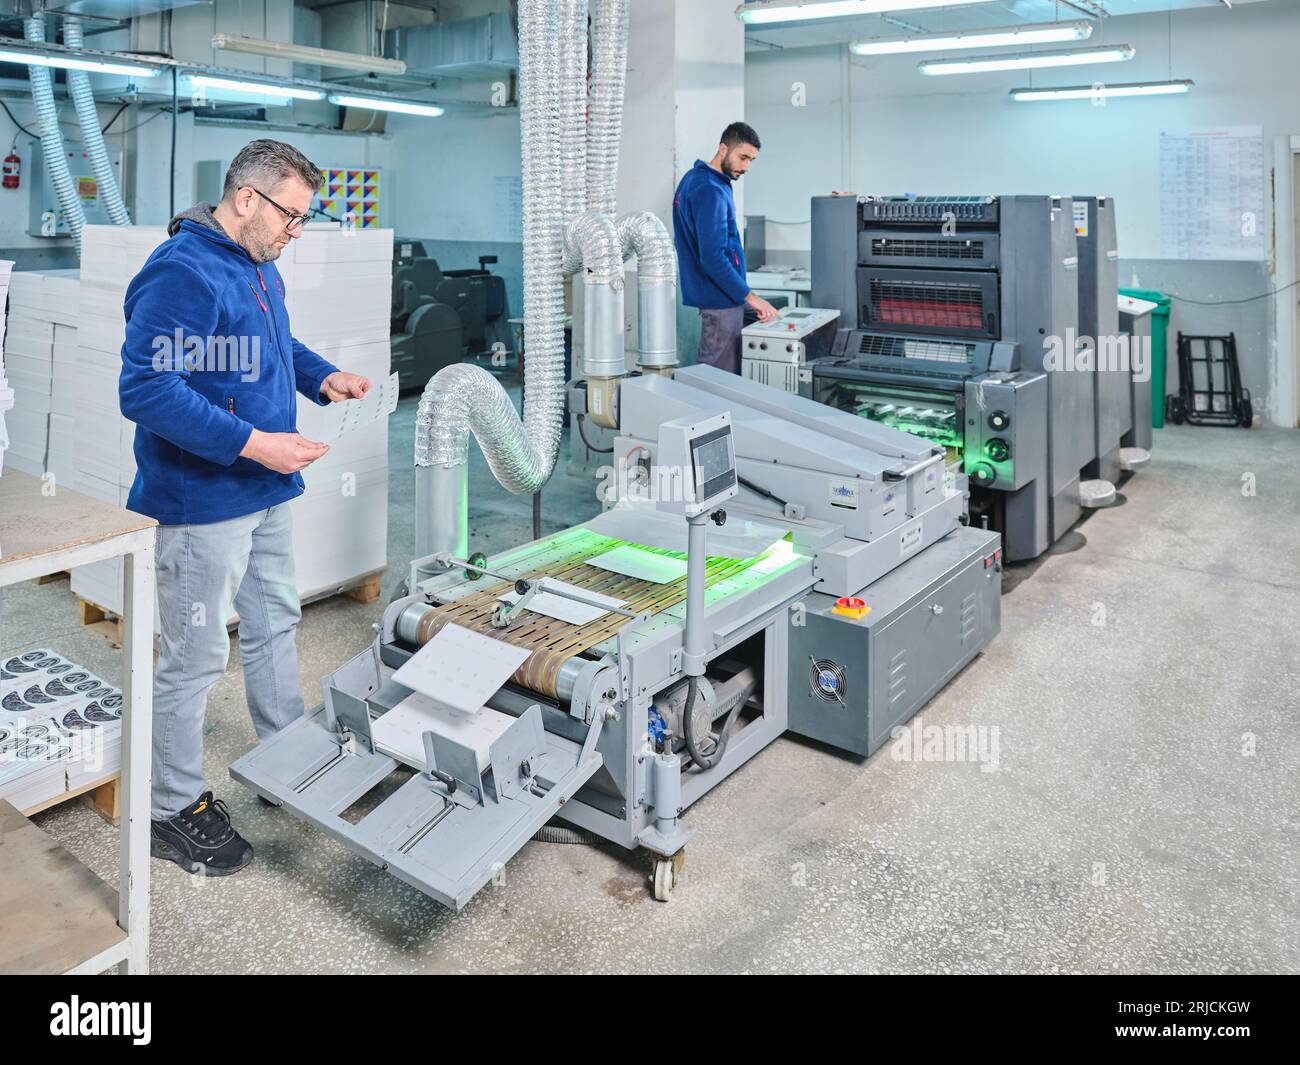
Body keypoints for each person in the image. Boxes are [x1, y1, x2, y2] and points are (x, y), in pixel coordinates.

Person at [118, 139, 371, 877]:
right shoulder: (182, 272)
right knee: (196, 655)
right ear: (247, 199)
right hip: (202, 502)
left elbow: (273, 346)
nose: (299, 232)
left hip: (264, 492)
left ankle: (282, 755)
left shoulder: (258, 265)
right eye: (292, 216)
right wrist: (256, 444)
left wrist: (322, 379)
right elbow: (148, 391)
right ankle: (171, 805)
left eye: (305, 220)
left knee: (274, 623)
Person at [672, 121, 779, 374]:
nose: (746, 167)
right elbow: (713, 257)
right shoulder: (710, 189)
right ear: (723, 148)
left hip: (721, 298)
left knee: (717, 377)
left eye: (751, 160)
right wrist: (751, 297)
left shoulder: (694, 178)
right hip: (720, 304)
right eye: (742, 157)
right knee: (715, 381)